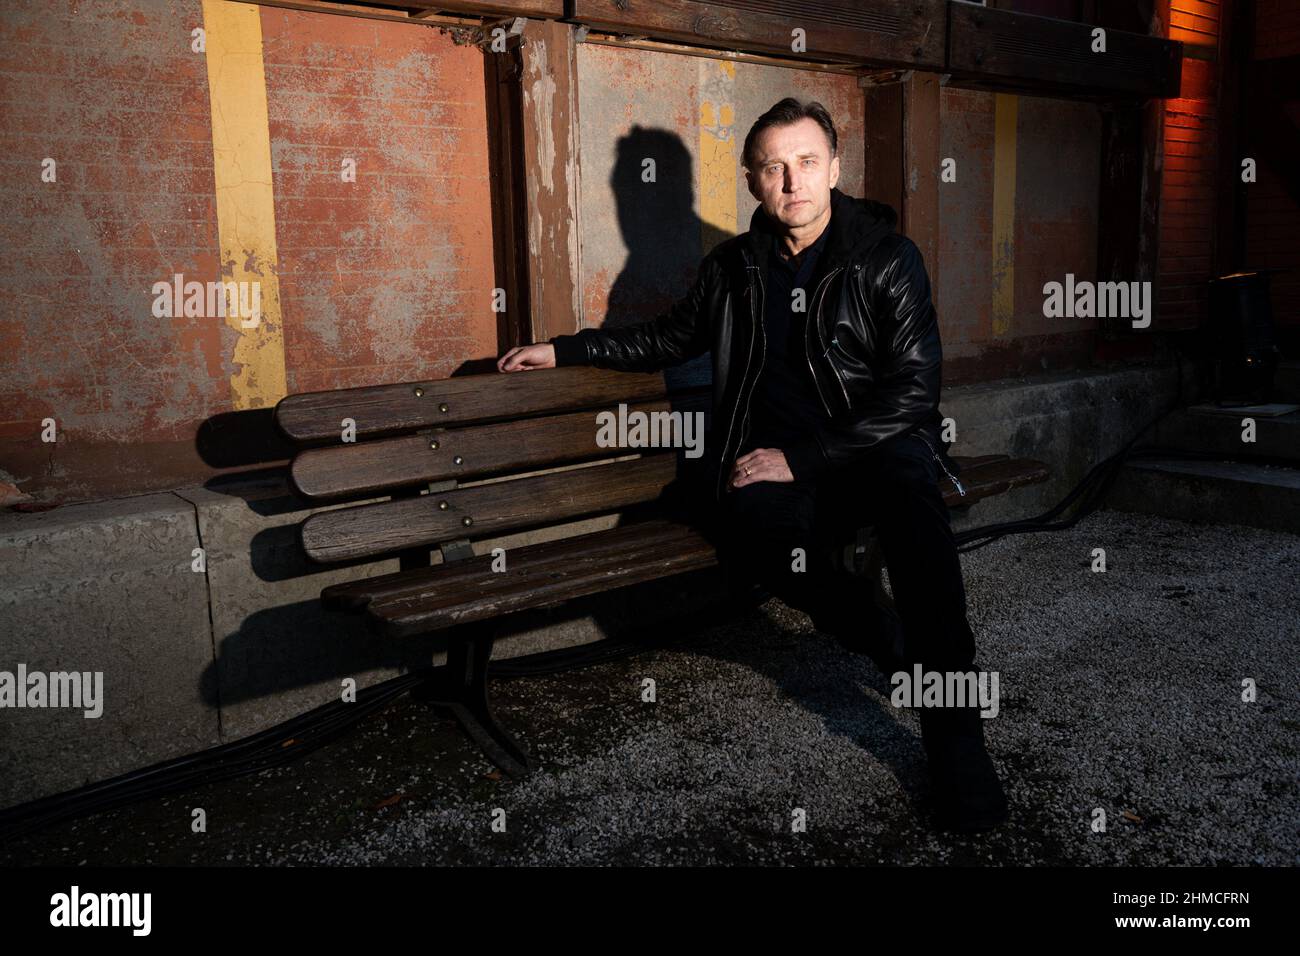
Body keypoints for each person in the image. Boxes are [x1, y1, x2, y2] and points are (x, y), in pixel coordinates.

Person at [496, 98, 1008, 833]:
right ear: (752, 181)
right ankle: (887, 639)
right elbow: (669, 338)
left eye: (806, 163)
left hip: (873, 451)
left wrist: (802, 456)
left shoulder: (887, 259)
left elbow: (915, 394)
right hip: (774, 467)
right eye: (774, 168)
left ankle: (957, 740)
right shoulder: (734, 269)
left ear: (834, 169)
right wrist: (567, 348)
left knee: (917, 528)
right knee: (758, 536)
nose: (791, 182)